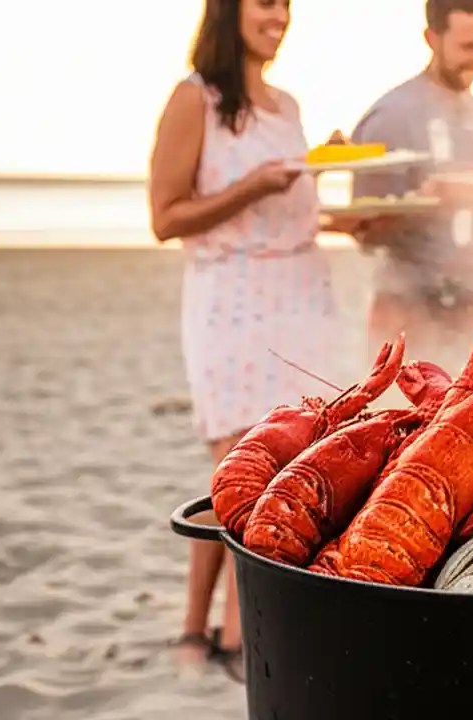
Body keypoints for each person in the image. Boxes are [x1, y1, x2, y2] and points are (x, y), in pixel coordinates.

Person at [148, 0, 357, 683]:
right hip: (231, 295)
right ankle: (222, 635)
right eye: (266, 2)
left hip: (301, 292)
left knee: (285, 460)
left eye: (287, 5)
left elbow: (292, 214)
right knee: (236, 468)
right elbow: (165, 216)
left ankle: (221, 631)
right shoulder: (196, 98)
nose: (281, 15)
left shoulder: (287, 105)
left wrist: (346, 211)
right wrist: (249, 187)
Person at [348, 0, 473, 372]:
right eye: (466, 47)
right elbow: (363, 230)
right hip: (407, 306)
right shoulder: (392, 114)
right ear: (432, 38)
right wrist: (424, 204)